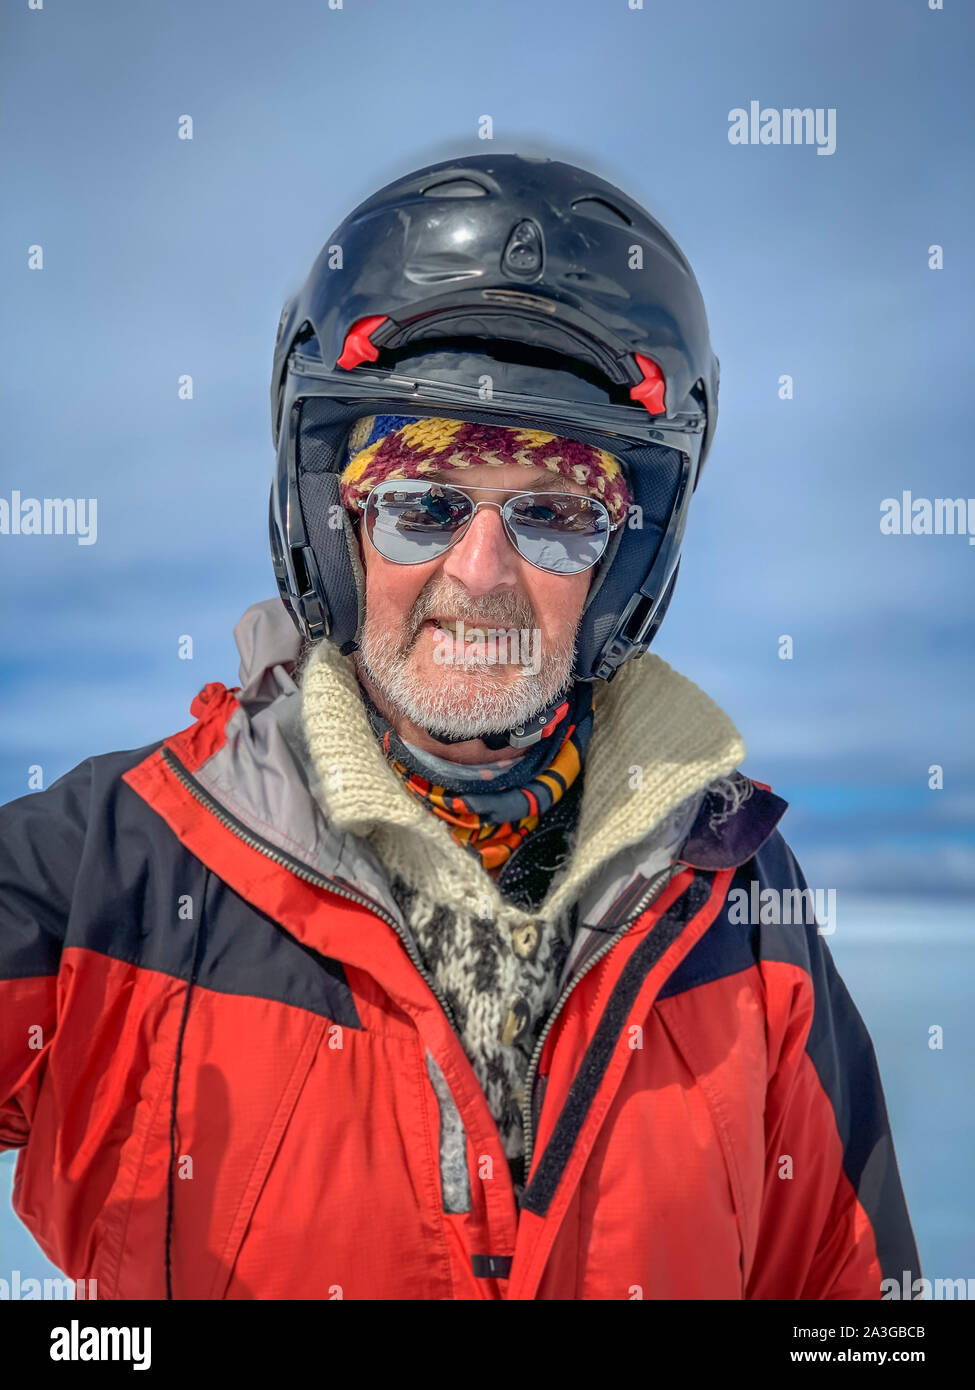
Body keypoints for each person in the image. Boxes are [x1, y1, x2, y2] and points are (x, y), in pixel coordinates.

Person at [0, 153, 919, 1300]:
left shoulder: (734, 893)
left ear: (623, 564)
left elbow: (851, 1295)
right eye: (423, 502)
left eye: (554, 513)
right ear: (336, 528)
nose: (481, 574)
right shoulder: (116, 866)